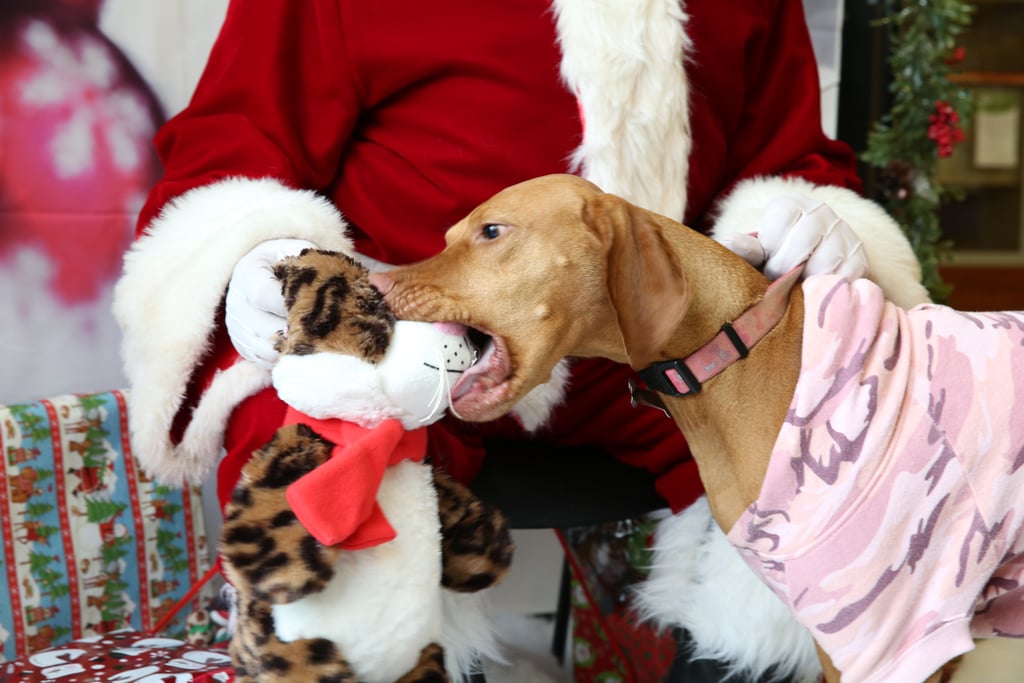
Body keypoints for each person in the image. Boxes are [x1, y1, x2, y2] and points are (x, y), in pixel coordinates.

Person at [113, 1, 929, 679]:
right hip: (407, 330)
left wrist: (803, 216)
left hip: (642, 347)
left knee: (829, 448)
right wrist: (251, 257)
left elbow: (783, 152)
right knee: (322, 474)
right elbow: (236, 140)